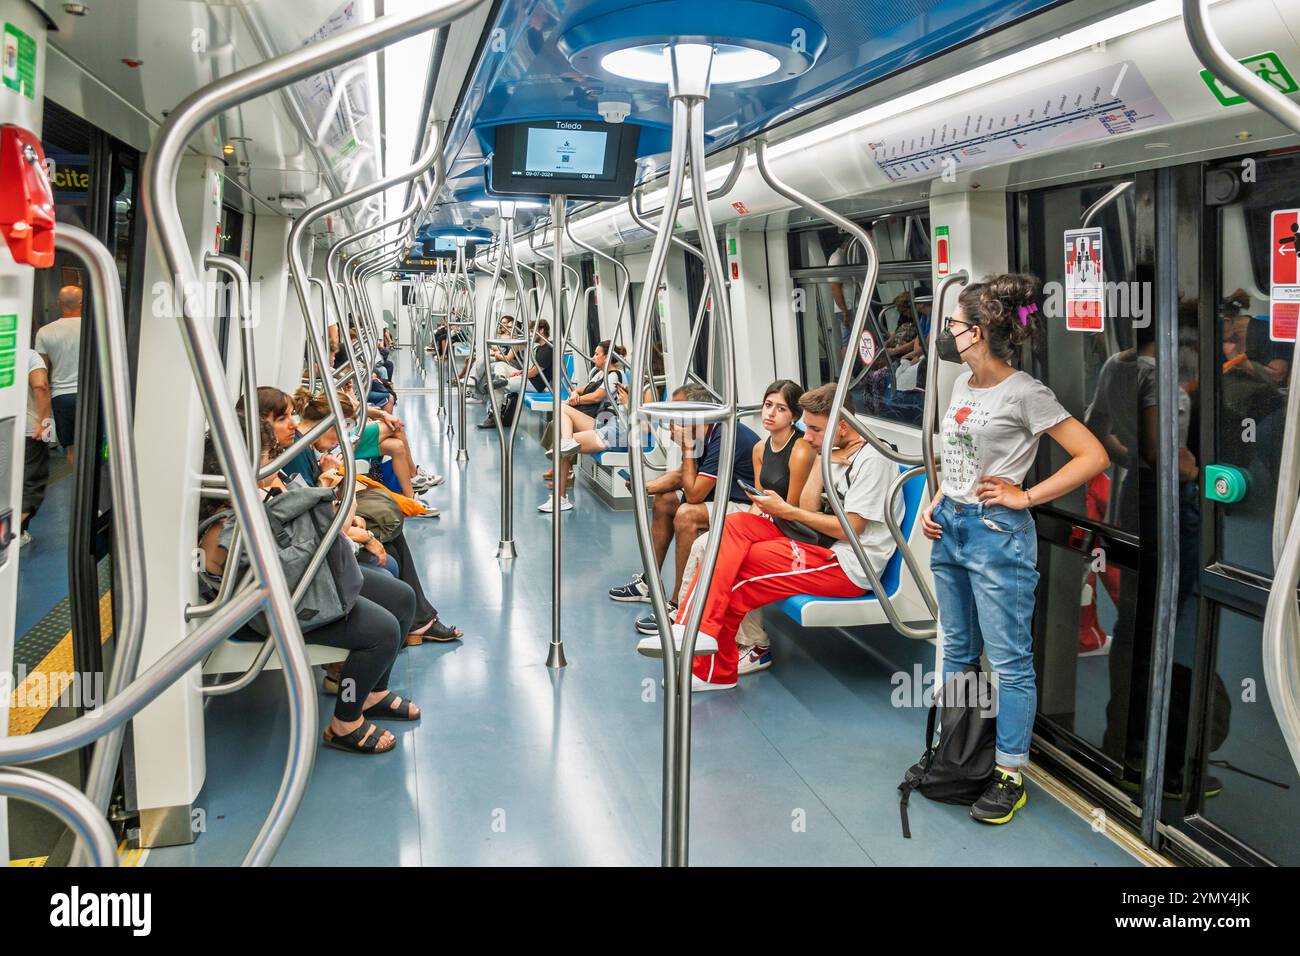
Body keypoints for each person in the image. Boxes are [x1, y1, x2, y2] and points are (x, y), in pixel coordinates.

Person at [920, 274, 1108, 825]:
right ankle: (960, 752)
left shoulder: (1025, 393)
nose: (946, 332)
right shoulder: (961, 385)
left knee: (1007, 661)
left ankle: (1008, 772)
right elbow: (959, 460)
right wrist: (937, 501)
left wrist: (1024, 495)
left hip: (996, 535)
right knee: (957, 651)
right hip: (951, 527)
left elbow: (1090, 455)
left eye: (953, 323)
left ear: (974, 332)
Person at [636, 383, 902, 691]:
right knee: (735, 525)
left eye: (815, 430)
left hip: (849, 564)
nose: (809, 437)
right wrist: (822, 458)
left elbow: (850, 529)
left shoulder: (872, 461)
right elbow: (809, 506)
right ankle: (690, 628)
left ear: (843, 426)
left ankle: (712, 667)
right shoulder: (830, 450)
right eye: (808, 429)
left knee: (738, 572)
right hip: (825, 547)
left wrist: (785, 510)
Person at [198, 431, 424, 755]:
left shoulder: (260, 497)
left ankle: (371, 693)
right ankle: (345, 721)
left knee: (402, 599)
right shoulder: (224, 529)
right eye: (266, 458)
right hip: (270, 608)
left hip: (295, 583)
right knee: (382, 632)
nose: (274, 462)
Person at [254, 386, 462, 644]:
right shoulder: (289, 457)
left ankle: (417, 621)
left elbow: (309, 510)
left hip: (321, 529)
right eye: (282, 419)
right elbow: (308, 520)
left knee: (392, 535)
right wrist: (359, 530)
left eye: (291, 417)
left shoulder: (296, 451)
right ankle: (416, 622)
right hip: (313, 549)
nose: (292, 425)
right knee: (389, 532)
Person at [608, 384, 760, 609]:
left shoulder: (724, 436)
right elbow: (683, 474)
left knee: (687, 514)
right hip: (720, 500)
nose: (673, 419)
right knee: (665, 500)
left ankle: (679, 603)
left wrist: (687, 448)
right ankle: (649, 582)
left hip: (746, 507)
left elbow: (695, 494)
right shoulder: (703, 431)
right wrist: (647, 487)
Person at [541, 340, 628, 513]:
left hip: (617, 429)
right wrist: (575, 394)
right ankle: (560, 497)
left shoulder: (615, 375)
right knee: (564, 434)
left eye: (597, 354)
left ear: (608, 357)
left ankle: (561, 498)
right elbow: (583, 389)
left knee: (563, 444)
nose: (593, 357)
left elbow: (597, 396)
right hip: (605, 422)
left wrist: (577, 400)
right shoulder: (599, 373)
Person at [35, 285, 83, 465]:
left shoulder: (44, 332)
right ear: (82, 303)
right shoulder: (96, 328)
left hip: (61, 397)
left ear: (58, 303)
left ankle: (78, 487)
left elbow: (41, 374)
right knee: (96, 443)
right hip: (92, 396)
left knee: (72, 449)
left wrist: (43, 415)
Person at [20, 349, 54, 547]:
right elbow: (40, 385)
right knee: (32, 484)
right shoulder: (29, 355)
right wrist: (43, 422)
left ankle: (20, 531)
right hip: (29, 430)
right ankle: (10, 534)